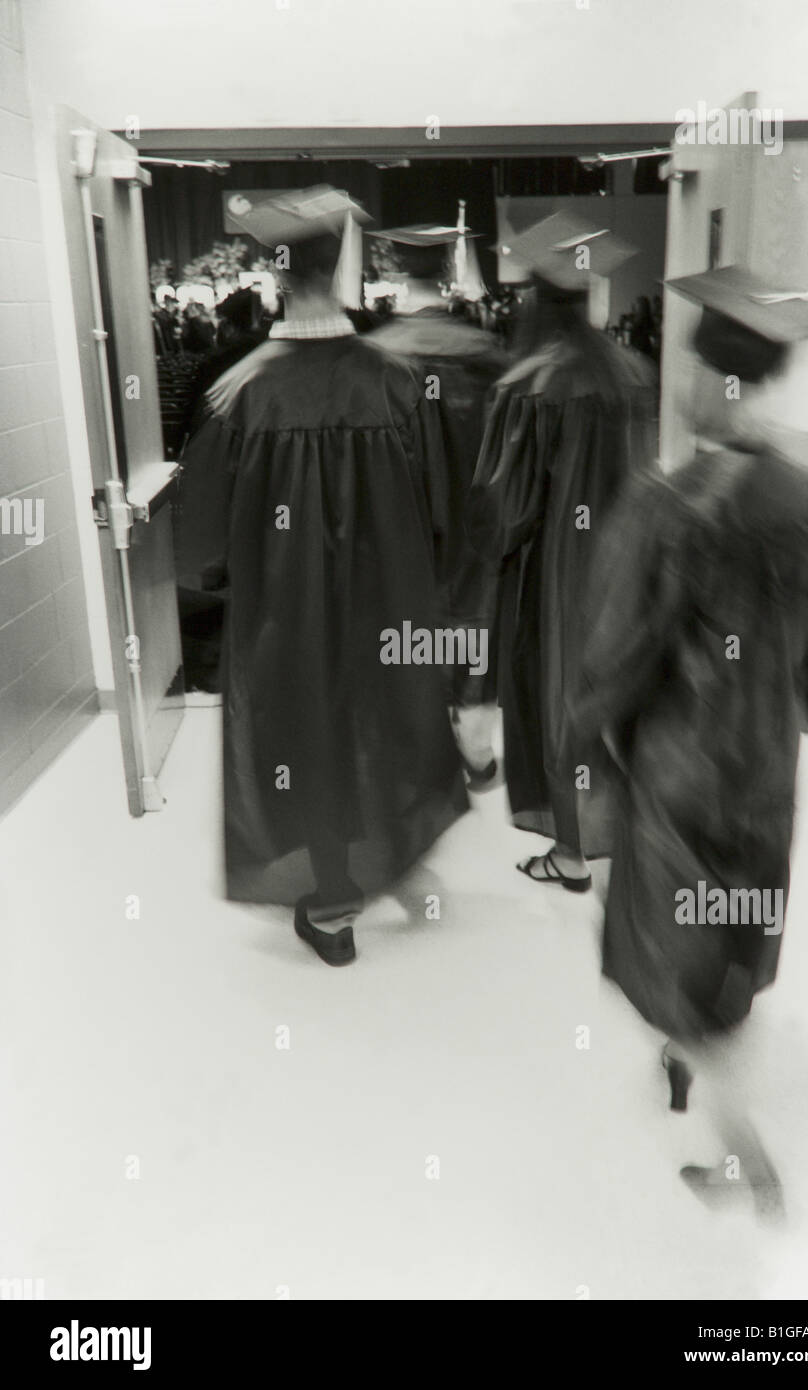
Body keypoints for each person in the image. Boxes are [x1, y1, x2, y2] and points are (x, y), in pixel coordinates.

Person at [572, 264, 808, 1216]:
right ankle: (688, 1059)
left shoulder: (663, 505)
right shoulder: (802, 499)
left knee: (670, 941)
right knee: (727, 941)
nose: (677, 385)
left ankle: (744, 1158)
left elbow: (611, 660)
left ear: (714, 382)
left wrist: (589, 739)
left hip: (678, 778)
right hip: (762, 772)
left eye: (688, 369)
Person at [179, 188, 468, 966]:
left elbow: (203, 545)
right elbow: (441, 509)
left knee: (303, 734)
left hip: (286, 611)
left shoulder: (239, 390)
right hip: (387, 602)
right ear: (339, 267)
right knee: (379, 718)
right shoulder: (397, 380)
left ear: (273, 275)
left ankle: (334, 905)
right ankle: (396, 850)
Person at [468, 210, 657, 889]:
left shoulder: (529, 386)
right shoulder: (633, 373)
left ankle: (571, 852)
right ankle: (628, 834)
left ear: (535, 300)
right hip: (632, 562)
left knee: (557, 695)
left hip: (559, 571)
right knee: (621, 689)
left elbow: (507, 508)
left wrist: (495, 554)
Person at [367, 224, 507, 786]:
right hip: (476, 516)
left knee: (407, 621)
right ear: (447, 270)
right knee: (472, 620)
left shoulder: (374, 356)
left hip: (402, 523)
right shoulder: (485, 352)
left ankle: (417, 755)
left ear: (397, 270)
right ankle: (476, 752)